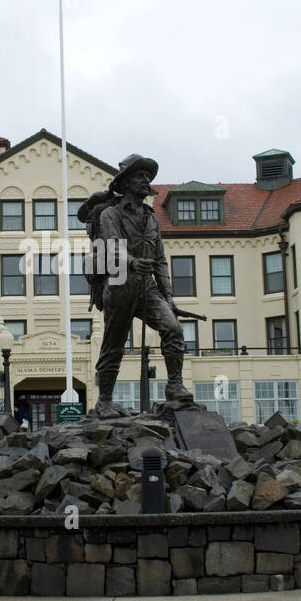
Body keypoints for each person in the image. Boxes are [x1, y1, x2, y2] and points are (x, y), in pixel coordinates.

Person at [82, 153, 194, 417]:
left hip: (147, 286)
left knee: (173, 328)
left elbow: (160, 260)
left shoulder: (152, 218)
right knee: (114, 344)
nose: (146, 180)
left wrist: (168, 296)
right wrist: (132, 262)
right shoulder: (111, 214)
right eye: (140, 176)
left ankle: (175, 387)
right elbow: (112, 246)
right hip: (120, 283)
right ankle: (105, 401)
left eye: (148, 176)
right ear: (126, 183)